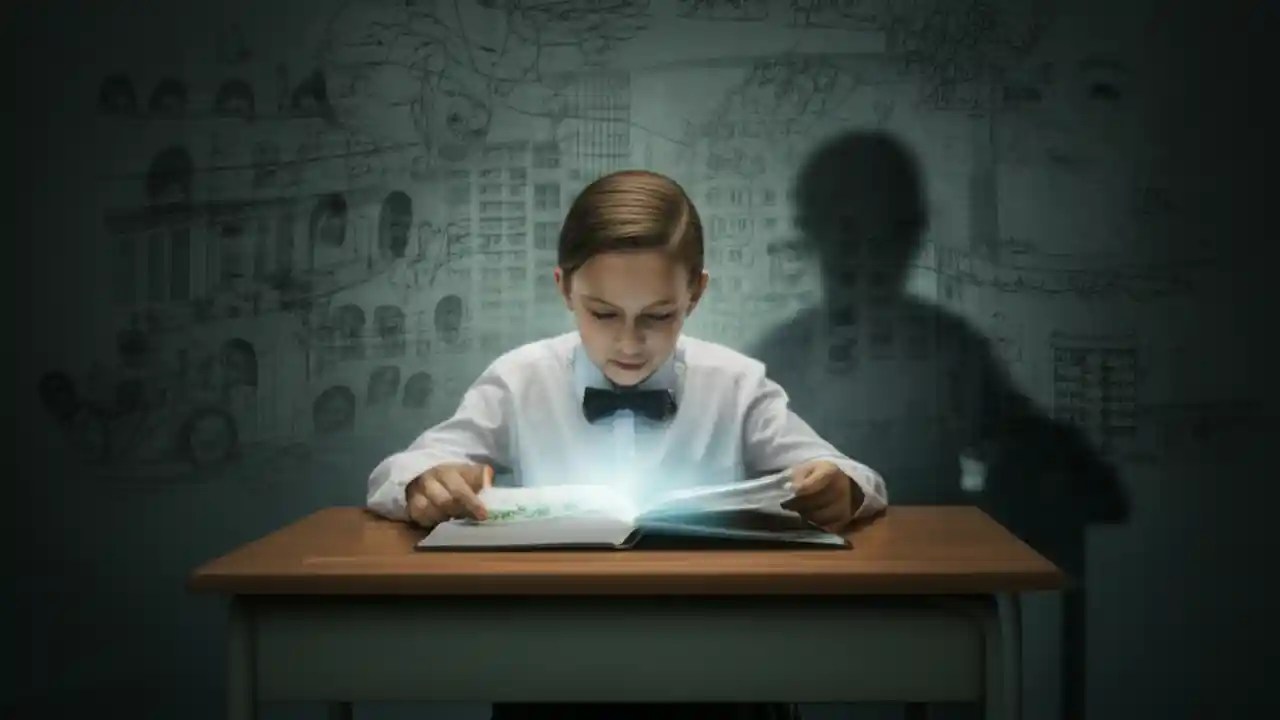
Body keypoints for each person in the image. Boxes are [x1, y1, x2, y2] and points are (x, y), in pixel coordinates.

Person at [366, 169, 888, 720]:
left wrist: (840, 487)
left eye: (659, 316)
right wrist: (426, 481)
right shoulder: (520, 378)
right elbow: (400, 471)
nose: (629, 343)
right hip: (555, 668)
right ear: (564, 287)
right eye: (603, 313)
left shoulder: (734, 382)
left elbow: (848, 474)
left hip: (719, 666)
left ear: (696, 294)